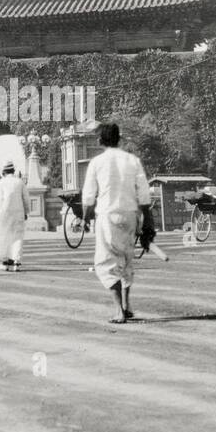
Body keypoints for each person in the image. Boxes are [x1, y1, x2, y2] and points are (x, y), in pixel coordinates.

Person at [81, 122, 152, 324]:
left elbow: (88, 195)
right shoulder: (132, 160)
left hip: (107, 214)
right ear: (119, 139)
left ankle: (118, 310)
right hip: (130, 214)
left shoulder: (97, 162)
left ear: (100, 140)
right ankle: (127, 305)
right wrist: (146, 218)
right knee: (126, 257)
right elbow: (144, 192)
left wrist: (85, 218)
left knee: (106, 261)